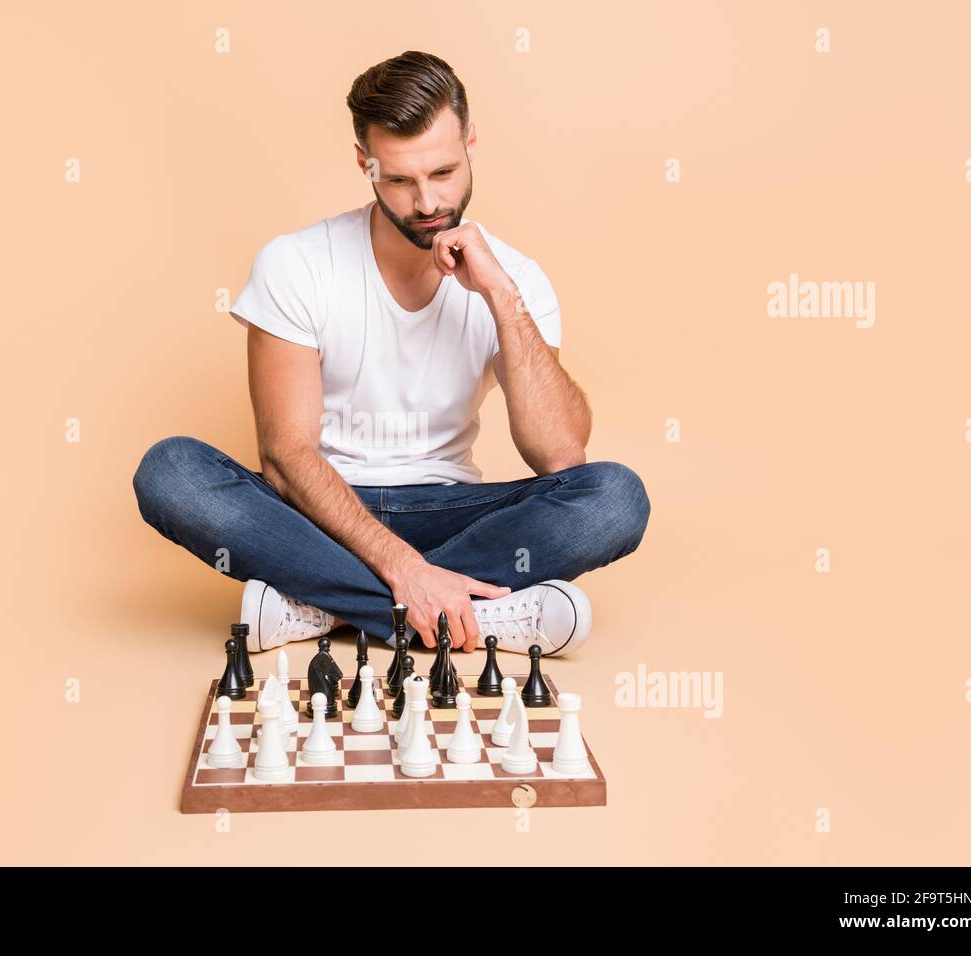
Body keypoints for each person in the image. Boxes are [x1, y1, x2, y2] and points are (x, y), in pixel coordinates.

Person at [134, 51, 649, 658]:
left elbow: (562, 455)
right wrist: (405, 570)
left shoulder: (517, 280)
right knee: (171, 472)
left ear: (472, 142)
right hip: (320, 514)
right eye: (400, 180)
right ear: (365, 162)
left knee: (615, 496)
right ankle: (475, 617)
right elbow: (285, 456)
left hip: (453, 511)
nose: (428, 202)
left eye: (443, 173)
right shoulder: (297, 263)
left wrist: (500, 298)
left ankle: (321, 605)